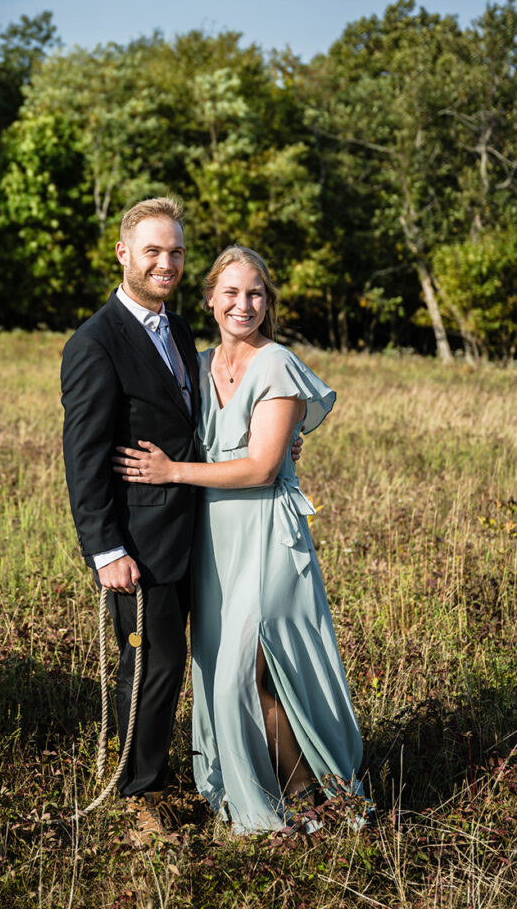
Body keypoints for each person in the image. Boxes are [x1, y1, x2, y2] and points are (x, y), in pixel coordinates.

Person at [113, 245, 366, 834]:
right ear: (208, 299)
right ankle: (302, 796)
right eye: (230, 293)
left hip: (266, 539)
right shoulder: (196, 367)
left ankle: (316, 804)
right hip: (213, 544)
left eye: (255, 294)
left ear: (267, 302)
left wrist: (172, 472)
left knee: (246, 675)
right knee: (235, 678)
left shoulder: (276, 364)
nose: (242, 305)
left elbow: (261, 468)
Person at [60, 197, 199, 838]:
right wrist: (105, 548)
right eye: (152, 251)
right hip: (138, 544)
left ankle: (190, 771)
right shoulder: (95, 342)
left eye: (174, 251)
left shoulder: (180, 329)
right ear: (123, 254)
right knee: (154, 664)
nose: (165, 262)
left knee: (188, 662)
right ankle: (137, 793)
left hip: (197, 531)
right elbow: (83, 456)